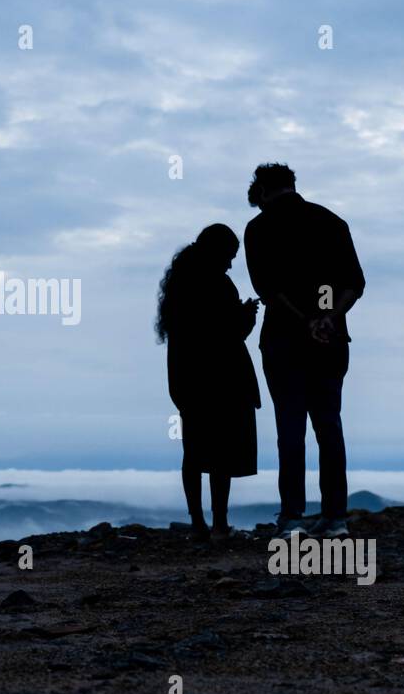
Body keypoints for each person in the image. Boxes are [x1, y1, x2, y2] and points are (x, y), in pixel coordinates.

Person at [244, 163, 365, 538]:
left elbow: (270, 290)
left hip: (283, 342)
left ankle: (293, 518)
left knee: (290, 429)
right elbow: (354, 284)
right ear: (292, 185)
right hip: (331, 343)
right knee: (329, 426)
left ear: (262, 190)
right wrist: (327, 317)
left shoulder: (259, 228)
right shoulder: (331, 222)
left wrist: (304, 321)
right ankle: (336, 518)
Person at [156, 224, 261, 542]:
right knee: (222, 455)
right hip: (223, 380)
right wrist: (248, 315)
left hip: (188, 381)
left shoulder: (179, 286)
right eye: (229, 257)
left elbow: (189, 337)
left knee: (194, 451)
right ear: (218, 252)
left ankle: (199, 524)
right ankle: (219, 524)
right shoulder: (219, 284)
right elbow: (228, 334)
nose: (230, 264)